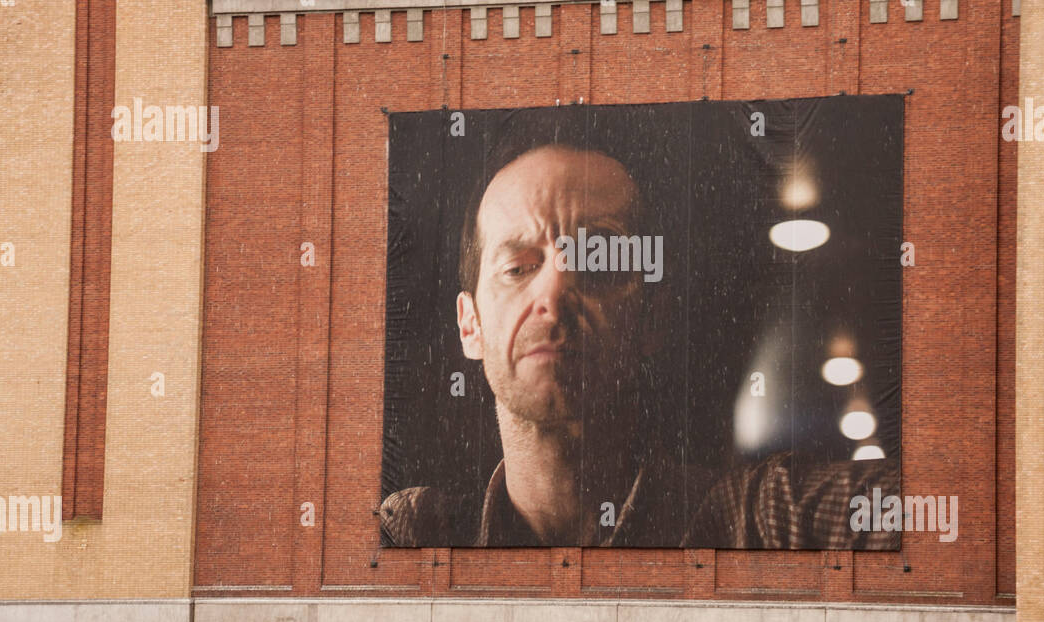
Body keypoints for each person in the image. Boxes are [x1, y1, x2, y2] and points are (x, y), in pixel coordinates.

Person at [379, 141, 897, 549]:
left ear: (653, 317)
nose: (554, 294)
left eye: (599, 262)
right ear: (469, 325)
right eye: (518, 268)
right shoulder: (416, 530)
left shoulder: (763, 521)